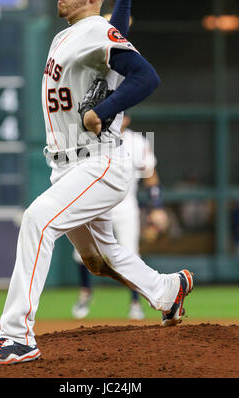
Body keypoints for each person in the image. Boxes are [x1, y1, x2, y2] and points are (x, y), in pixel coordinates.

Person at [0, 0, 194, 367]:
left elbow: (146, 76)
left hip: (98, 162)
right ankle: (168, 290)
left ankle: (17, 336)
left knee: (37, 222)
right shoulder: (68, 35)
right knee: (98, 259)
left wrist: (104, 110)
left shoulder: (94, 31)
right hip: (67, 166)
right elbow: (113, 37)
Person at [72, 113, 169, 321]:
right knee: (82, 253)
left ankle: (135, 302)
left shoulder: (137, 142)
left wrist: (157, 207)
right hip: (95, 205)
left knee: (131, 253)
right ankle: (85, 293)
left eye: (121, 116)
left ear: (127, 120)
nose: (117, 119)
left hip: (125, 205)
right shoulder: (90, 139)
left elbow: (151, 175)